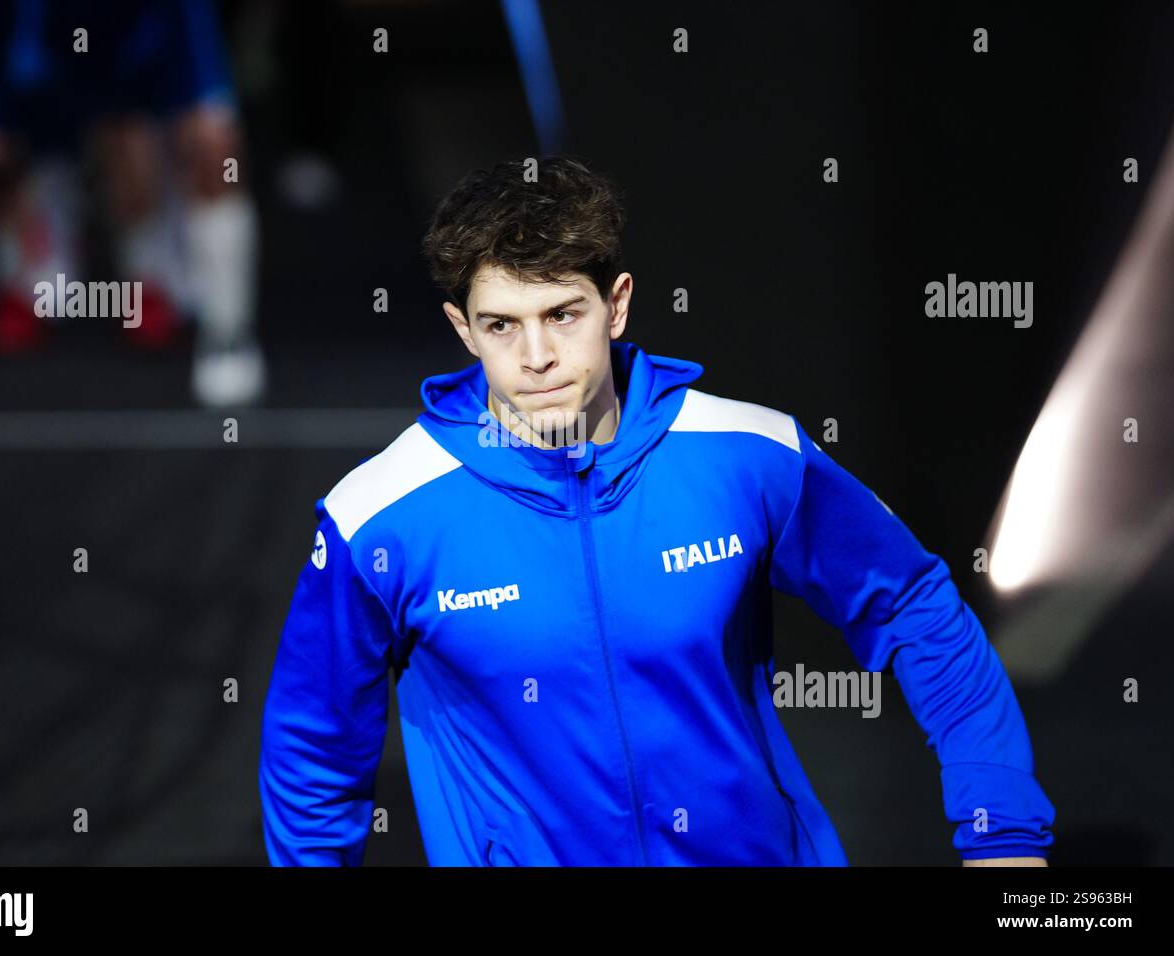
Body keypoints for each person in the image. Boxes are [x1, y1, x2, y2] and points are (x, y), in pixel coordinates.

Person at [258, 156, 1056, 866]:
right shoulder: (381, 517)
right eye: (502, 325)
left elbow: (914, 605)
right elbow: (312, 750)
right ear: (462, 329)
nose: (536, 358)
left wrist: (1003, 834)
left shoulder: (746, 454)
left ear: (617, 305)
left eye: (562, 314)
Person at [0, 0, 264, 407]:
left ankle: (227, 336)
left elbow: (207, 109)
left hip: (136, 50)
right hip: (42, 46)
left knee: (213, 146)